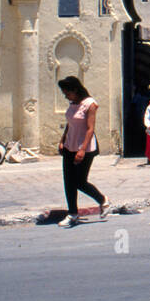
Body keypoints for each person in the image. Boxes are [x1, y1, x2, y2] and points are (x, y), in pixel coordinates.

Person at [56, 77, 112, 228]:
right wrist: (62, 140)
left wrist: (82, 149)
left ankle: (103, 200)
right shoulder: (73, 104)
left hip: (85, 148)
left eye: (66, 92)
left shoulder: (90, 104)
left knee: (80, 181)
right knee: (68, 181)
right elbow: (70, 124)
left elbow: (90, 129)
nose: (65, 96)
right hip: (69, 146)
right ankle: (72, 213)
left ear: (75, 90)